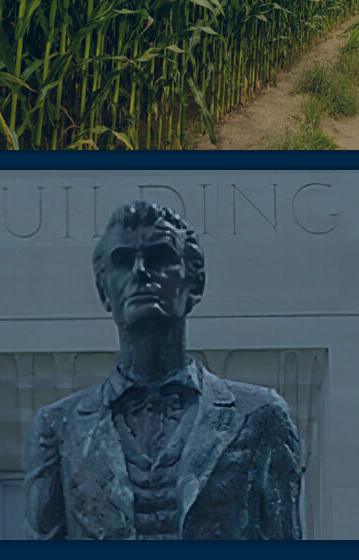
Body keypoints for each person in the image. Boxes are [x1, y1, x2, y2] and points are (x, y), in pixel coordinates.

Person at [25, 201, 303, 540]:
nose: (140, 272)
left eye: (159, 258)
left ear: (195, 284)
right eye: (123, 261)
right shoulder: (57, 427)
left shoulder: (261, 416)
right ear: (103, 292)